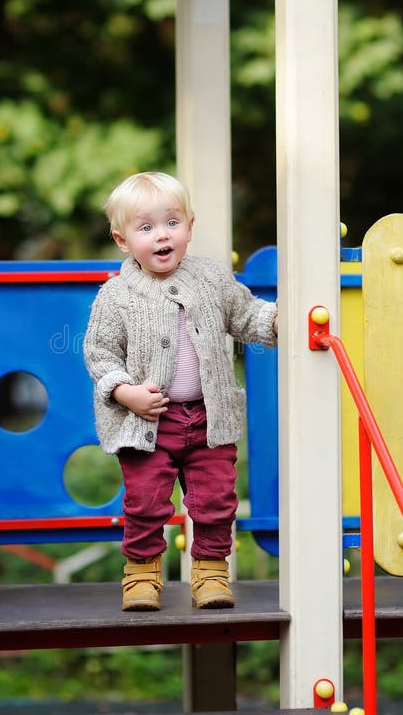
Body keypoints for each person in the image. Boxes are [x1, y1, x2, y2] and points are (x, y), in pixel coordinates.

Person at [83, 172, 278, 611]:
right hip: (149, 421)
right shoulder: (117, 296)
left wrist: (273, 322)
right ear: (122, 240)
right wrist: (125, 392)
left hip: (209, 418)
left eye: (172, 222)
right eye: (146, 228)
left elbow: (244, 314)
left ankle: (209, 573)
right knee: (146, 502)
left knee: (216, 500)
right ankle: (141, 575)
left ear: (190, 225)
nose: (161, 235)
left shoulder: (210, 279)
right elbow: (100, 354)